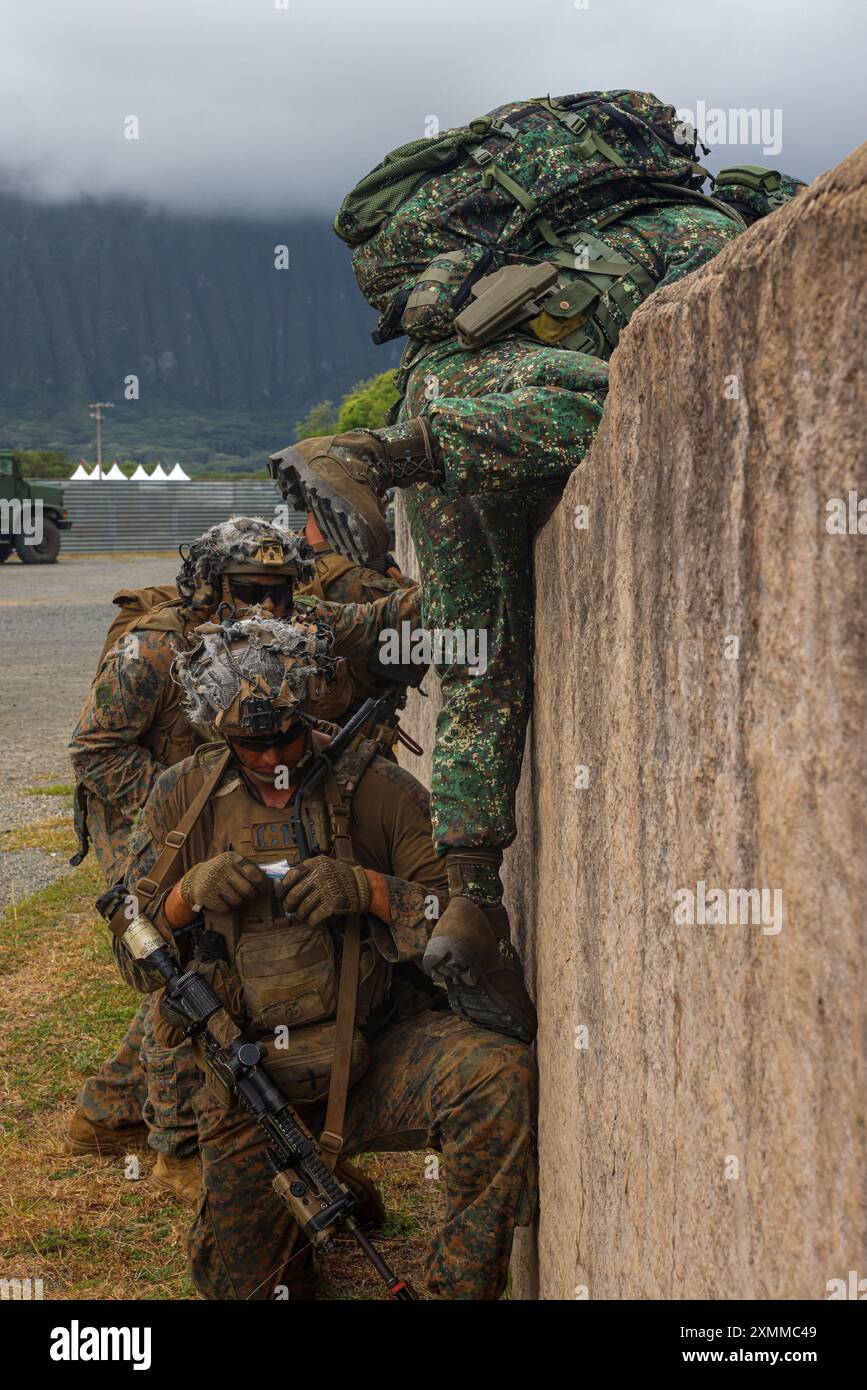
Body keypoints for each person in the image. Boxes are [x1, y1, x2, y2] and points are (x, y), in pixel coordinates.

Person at [269, 127, 806, 1015]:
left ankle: (475, 899)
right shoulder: (701, 233)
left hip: (440, 399)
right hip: (486, 403)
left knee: (481, 661)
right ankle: (365, 454)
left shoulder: (576, 229)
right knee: (617, 391)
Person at [118, 613, 537, 1299]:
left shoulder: (377, 789)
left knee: (496, 1079)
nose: (271, 755)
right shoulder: (181, 801)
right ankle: (305, 1198)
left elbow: (458, 920)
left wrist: (367, 890)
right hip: (248, 1078)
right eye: (248, 742)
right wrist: (183, 898)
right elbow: (131, 956)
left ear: (310, 712)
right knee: (243, 1284)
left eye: (286, 732)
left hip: (377, 1049)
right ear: (218, 733)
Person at [66, 516, 429, 1208]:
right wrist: (200, 805)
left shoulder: (286, 624)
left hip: (241, 805)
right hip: (160, 818)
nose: (269, 605)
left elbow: (369, 618)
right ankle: (183, 1147)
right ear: (211, 586)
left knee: (241, 962)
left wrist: (438, 590)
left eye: (282, 589)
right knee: (183, 974)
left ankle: (107, 1114)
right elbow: (95, 751)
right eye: (251, 589)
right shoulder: (153, 647)